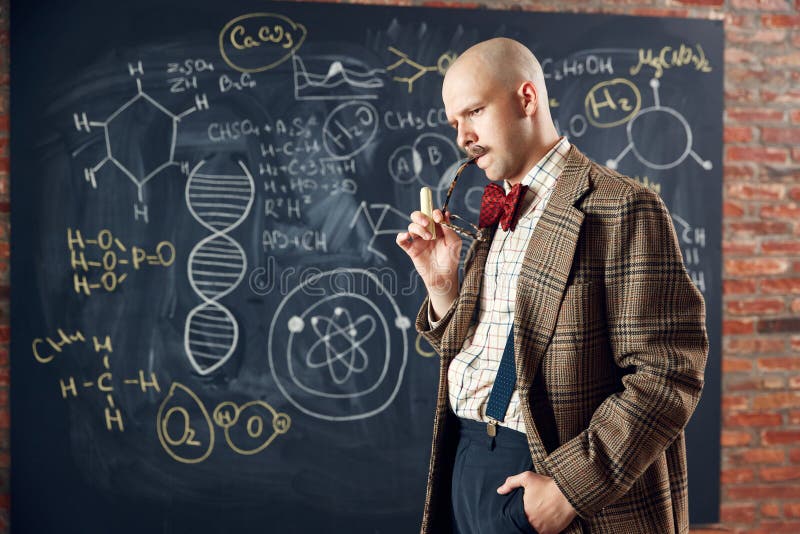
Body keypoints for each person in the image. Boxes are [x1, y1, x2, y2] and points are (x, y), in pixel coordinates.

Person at [395, 38, 708, 534]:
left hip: (558, 479)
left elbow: (669, 373)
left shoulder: (624, 206)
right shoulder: (498, 212)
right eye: (456, 122)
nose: (464, 136)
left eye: (474, 111)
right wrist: (443, 288)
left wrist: (568, 491)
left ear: (526, 99)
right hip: (467, 459)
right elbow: (486, 348)